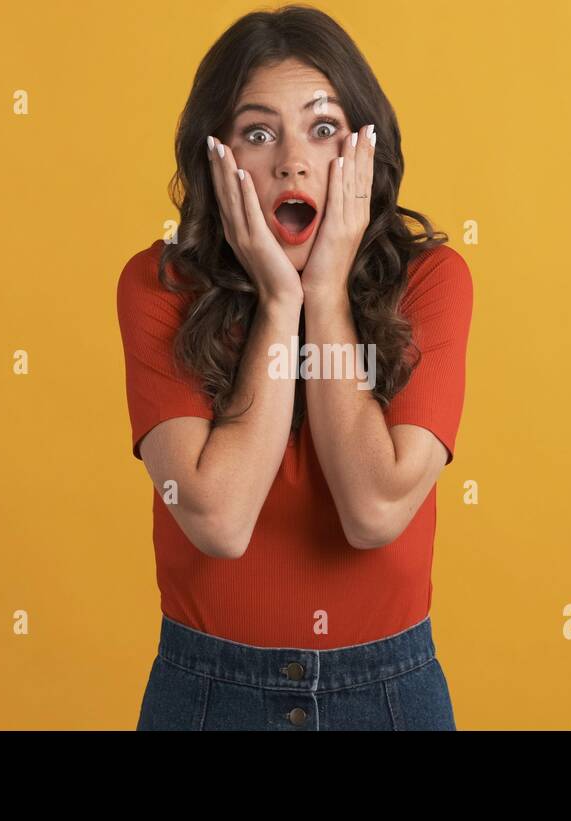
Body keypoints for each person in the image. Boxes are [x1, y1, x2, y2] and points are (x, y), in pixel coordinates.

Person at [117, 5, 472, 730]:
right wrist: (282, 301)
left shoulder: (434, 281)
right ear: (216, 156)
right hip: (208, 696)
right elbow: (218, 518)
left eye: (321, 127)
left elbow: (375, 511)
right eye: (257, 132)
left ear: (363, 150)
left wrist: (324, 291)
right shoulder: (157, 288)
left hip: (388, 697)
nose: (291, 160)